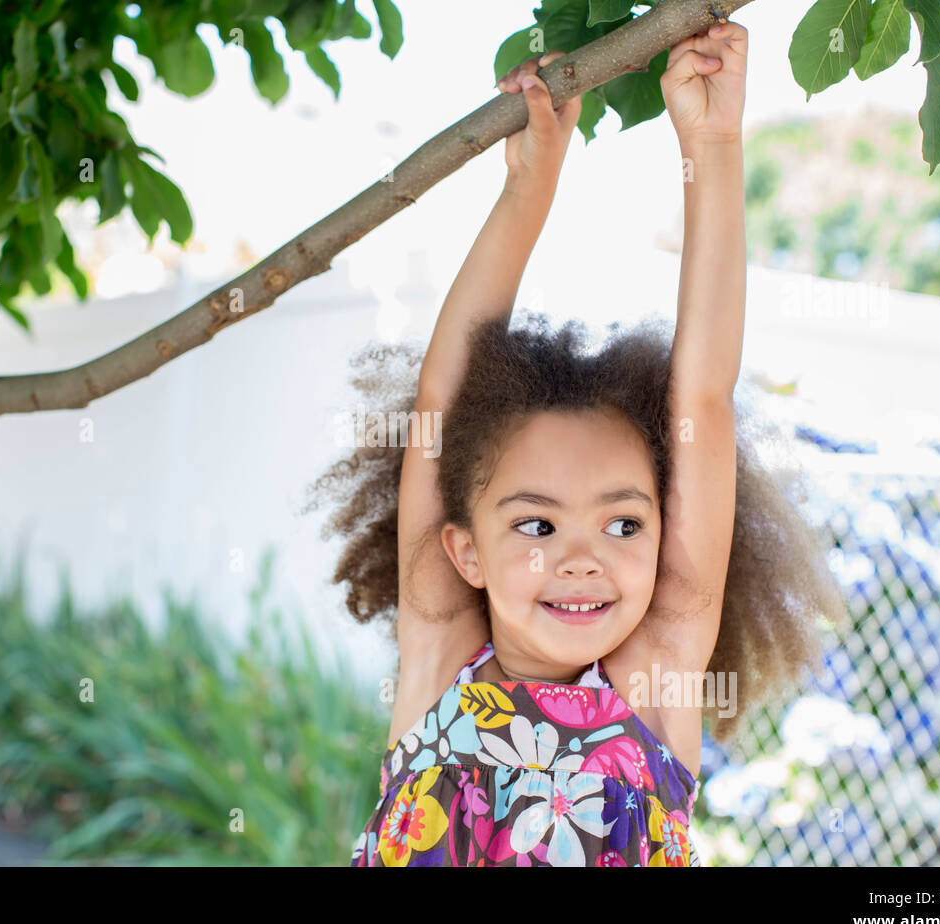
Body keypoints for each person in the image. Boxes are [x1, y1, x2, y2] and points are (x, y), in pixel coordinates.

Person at [307, 21, 846, 866]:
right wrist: (529, 190)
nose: (583, 559)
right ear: (465, 550)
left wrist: (712, 142)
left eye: (624, 525)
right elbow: (439, 402)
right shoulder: (442, 655)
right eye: (536, 525)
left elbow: (702, 393)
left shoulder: (653, 684)